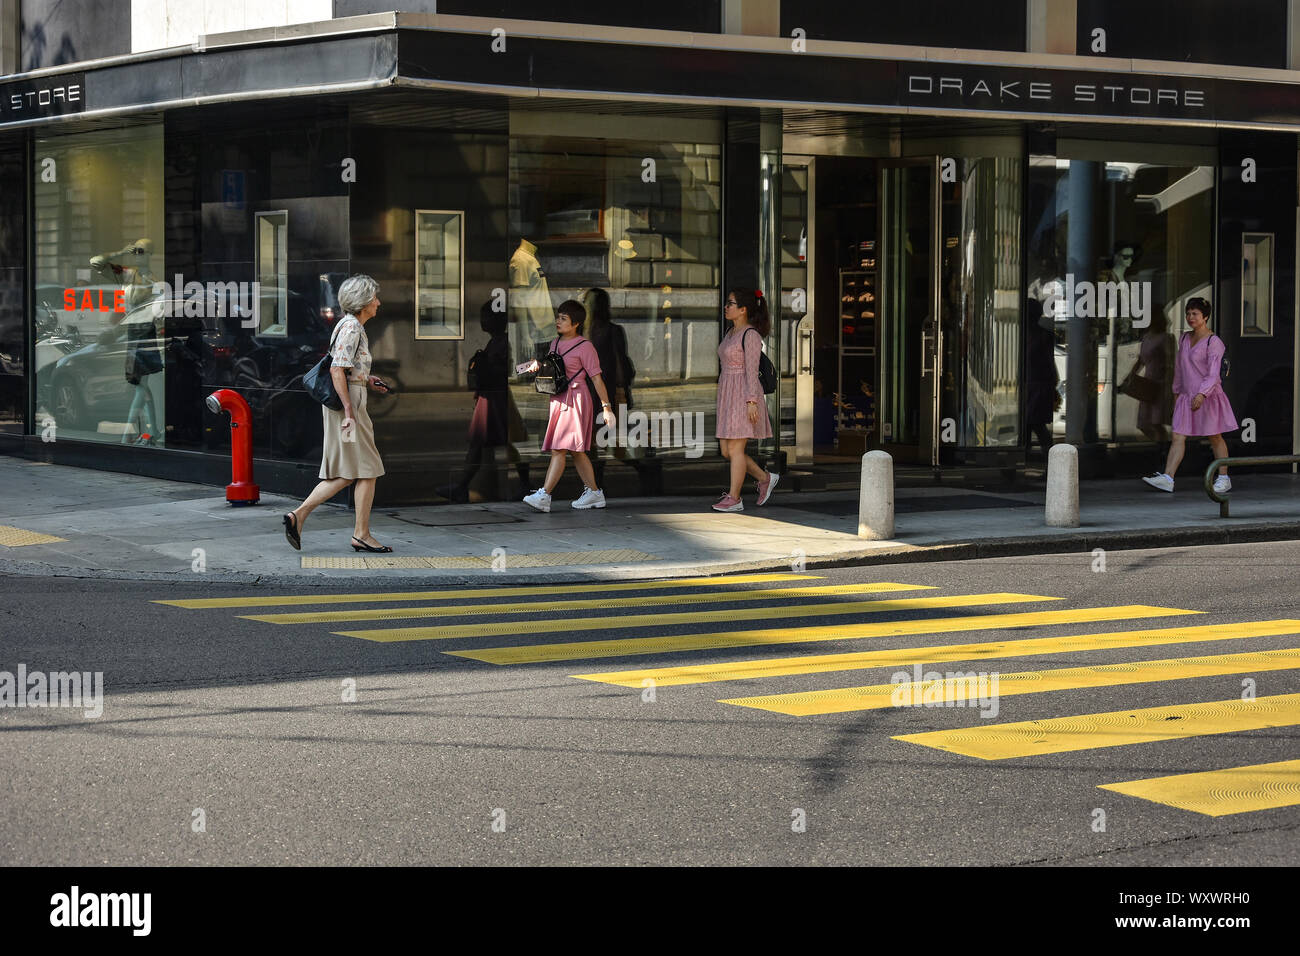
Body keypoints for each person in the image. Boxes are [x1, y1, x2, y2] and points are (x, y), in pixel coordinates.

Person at [283, 275, 392, 552]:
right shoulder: (352, 327)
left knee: (353, 471)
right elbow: (335, 369)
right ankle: (358, 533)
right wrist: (348, 411)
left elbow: (345, 366)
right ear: (364, 302)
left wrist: (367, 379)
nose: (378, 303)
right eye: (375, 298)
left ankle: (303, 517)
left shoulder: (350, 326)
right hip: (348, 404)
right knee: (365, 468)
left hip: (352, 397)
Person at [523, 300, 616, 513]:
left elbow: (597, 379)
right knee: (576, 451)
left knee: (560, 449)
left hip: (575, 400)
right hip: (559, 399)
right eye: (558, 317)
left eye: (563, 318)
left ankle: (544, 495)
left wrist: (607, 408)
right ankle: (594, 493)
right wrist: (537, 366)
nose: (558, 321)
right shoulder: (555, 344)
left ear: (576, 323)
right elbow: (554, 369)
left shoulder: (585, 347)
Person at [1141, 298, 1236, 494]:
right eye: (1188, 313)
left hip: (1208, 397)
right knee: (1177, 436)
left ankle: (1224, 478)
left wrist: (1202, 394)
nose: (1190, 317)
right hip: (1186, 395)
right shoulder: (1184, 338)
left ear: (1206, 317)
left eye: (1195, 314)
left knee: (1215, 437)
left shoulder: (1214, 342)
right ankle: (1168, 478)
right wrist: (1176, 393)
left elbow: (1213, 374)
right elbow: (1180, 368)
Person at [439, 303, 528, 502]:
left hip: (495, 398)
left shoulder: (502, 342)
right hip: (492, 397)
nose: (482, 321)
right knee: (502, 442)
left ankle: (463, 485)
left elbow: (511, 369)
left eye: (486, 317)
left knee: (486, 443)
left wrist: (486, 366)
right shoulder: (497, 341)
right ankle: (524, 484)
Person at [713, 288, 778, 512]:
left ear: (743, 310)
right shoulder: (730, 332)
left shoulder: (750, 335)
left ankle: (734, 498)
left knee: (736, 449)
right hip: (727, 393)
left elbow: (751, 371)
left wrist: (752, 401)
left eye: (731, 303)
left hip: (743, 394)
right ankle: (764, 478)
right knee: (726, 451)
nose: (726, 307)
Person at [582, 287, 640, 481]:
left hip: (605, 392)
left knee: (607, 441)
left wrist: (621, 391)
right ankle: (597, 482)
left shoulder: (609, 330)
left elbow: (619, 362)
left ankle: (642, 468)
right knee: (594, 441)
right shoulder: (583, 331)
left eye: (586, 302)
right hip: (588, 393)